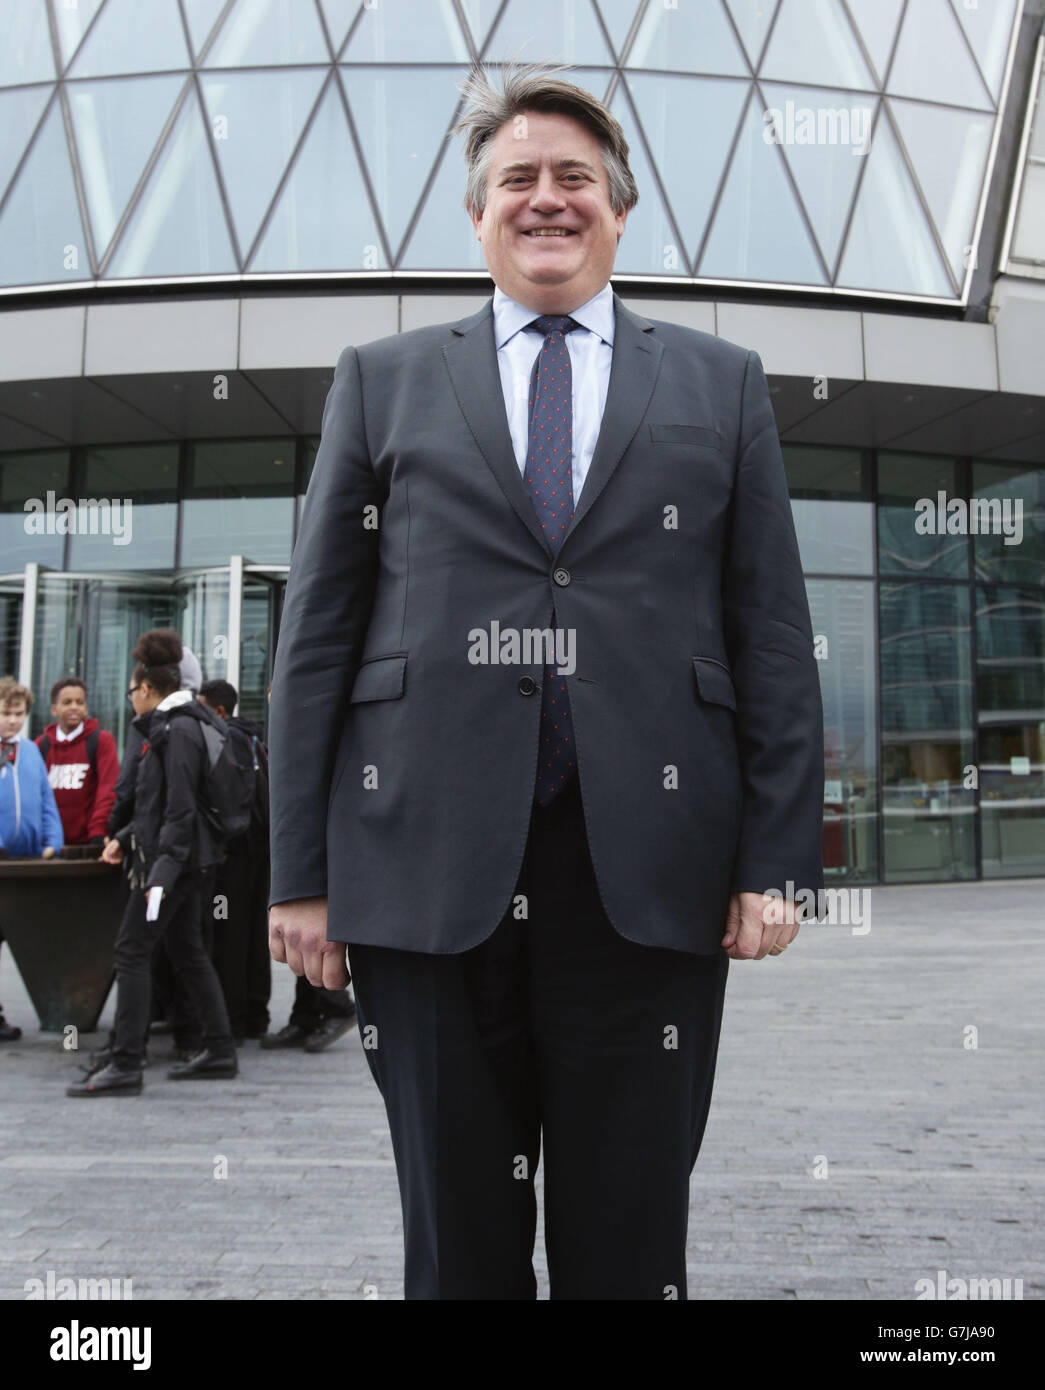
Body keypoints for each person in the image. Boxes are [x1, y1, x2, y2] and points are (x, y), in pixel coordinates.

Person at [267, 61, 824, 1300]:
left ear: (619, 211)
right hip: (421, 876)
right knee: (456, 1249)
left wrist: (775, 862)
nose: (546, 198)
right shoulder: (382, 378)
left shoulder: (721, 386)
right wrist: (298, 875)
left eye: (575, 177)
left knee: (627, 1245)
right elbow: (318, 636)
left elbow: (772, 634)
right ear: (477, 215)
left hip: (648, 879)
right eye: (516, 178)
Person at [67, 630, 238, 1096]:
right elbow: (156, 804)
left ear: (145, 689)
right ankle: (219, 1049)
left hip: (172, 867)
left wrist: (159, 876)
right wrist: (124, 838)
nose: (131, 700)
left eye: (131, 690)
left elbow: (180, 811)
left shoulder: (178, 729)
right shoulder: (180, 723)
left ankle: (126, 1062)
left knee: (130, 950)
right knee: (186, 951)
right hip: (179, 861)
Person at [197, 679, 273, 1042]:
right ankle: (257, 1012)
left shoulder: (223, 738)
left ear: (220, 710)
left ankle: (234, 1018)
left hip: (235, 855)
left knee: (228, 932)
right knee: (255, 932)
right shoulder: (255, 739)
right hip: (263, 852)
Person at [0, 676, 64, 1041]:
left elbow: (45, 798)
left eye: (18, 714)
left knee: (29, 938)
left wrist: (52, 839)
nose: (12, 720)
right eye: (6, 713)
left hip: (29, 860)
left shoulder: (32, 751)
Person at [36, 678, 119, 847]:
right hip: (49, 845)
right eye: (67, 702)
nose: (74, 707)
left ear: (86, 708)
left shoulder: (101, 741)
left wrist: (98, 831)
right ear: (54, 709)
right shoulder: (40, 745)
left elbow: (108, 789)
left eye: (79, 702)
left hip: (88, 843)